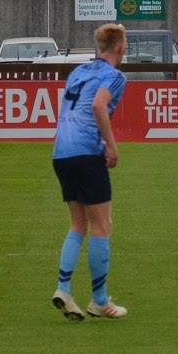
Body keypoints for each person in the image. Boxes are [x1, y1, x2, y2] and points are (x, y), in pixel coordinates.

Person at [51, 22, 129, 321]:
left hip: (61, 152)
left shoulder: (78, 72)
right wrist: (111, 146)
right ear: (121, 48)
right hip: (86, 152)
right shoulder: (114, 76)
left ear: (99, 47)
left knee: (77, 225)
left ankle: (63, 288)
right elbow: (98, 105)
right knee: (102, 226)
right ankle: (99, 301)